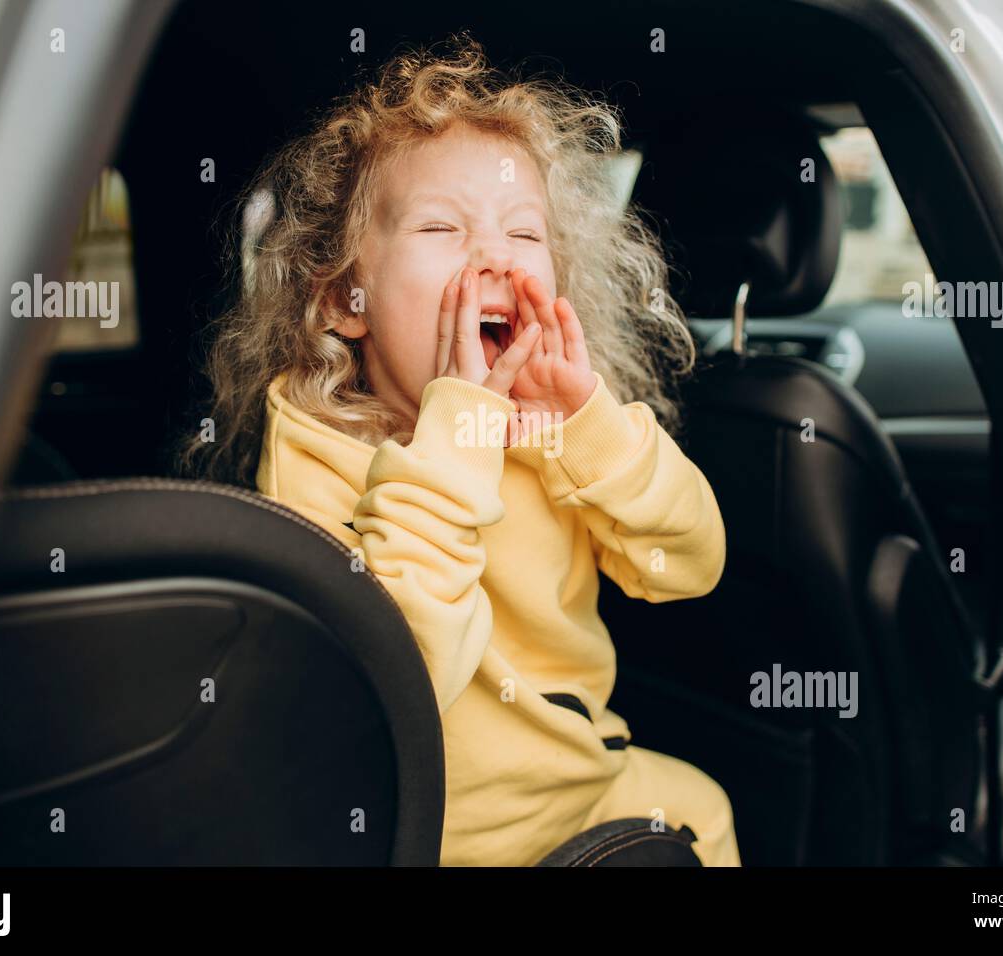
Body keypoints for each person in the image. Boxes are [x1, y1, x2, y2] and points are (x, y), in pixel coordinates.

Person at [180, 34, 739, 867]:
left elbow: (688, 564)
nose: (493, 258)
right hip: (431, 832)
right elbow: (392, 676)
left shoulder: (560, 427)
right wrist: (458, 433)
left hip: (583, 789)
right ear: (345, 300)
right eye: (442, 226)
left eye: (525, 234)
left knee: (705, 805)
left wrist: (590, 423)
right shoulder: (317, 447)